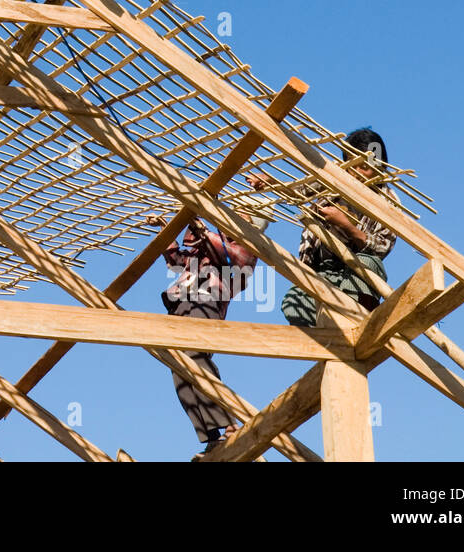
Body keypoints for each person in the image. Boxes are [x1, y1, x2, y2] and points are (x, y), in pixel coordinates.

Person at [248, 127, 399, 326]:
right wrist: (272, 183)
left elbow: (382, 247)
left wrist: (346, 226)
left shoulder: (387, 199)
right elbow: (301, 191)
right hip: (323, 270)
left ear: (379, 165)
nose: (358, 173)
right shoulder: (337, 177)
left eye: (366, 166)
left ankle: (357, 321)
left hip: (356, 268)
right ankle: (328, 334)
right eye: (354, 164)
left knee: (369, 264)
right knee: (293, 303)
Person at [151, 211, 264, 458]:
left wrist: (202, 230)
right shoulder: (204, 247)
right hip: (181, 305)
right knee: (179, 369)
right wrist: (167, 231)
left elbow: (226, 255)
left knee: (196, 357)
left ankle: (229, 422)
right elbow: (175, 260)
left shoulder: (247, 250)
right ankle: (212, 437)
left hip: (206, 303)